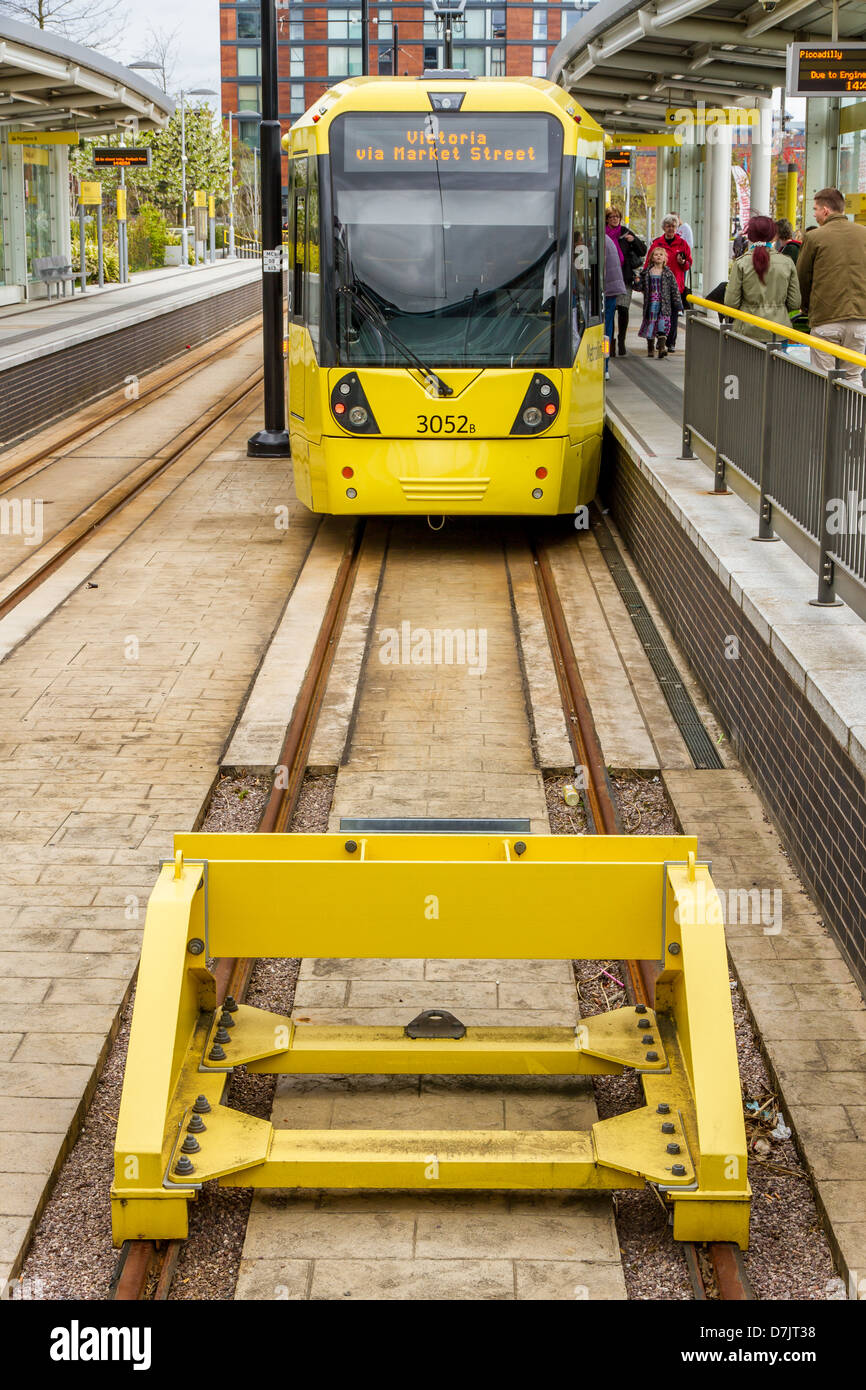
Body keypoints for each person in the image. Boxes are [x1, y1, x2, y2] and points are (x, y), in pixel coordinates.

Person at [797, 187, 866, 382]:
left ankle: (825, 414)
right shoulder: (864, 234)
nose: (814, 214)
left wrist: (806, 307)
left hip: (826, 317)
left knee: (823, 377)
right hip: (860, 319)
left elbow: (802, 277)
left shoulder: (814, 237)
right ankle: (853, 414)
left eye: (816, 209)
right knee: (853, 376)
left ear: (826, 210)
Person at [724, 215, 801, 341]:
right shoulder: (787, 263)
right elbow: (795, 302)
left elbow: (730, 302)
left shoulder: (741, 263)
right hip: (779, 331)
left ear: (750, 236)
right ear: (773, 235)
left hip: (747, 330)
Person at [643, 215, 692, 352]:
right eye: (668, 226)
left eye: (674, 226)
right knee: (658, 314)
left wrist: (683, 262)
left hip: (675, 285)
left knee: (673, 315)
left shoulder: (682, 244)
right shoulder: (657, 243)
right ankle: (660, 339)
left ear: (677, 228)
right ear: (664, 227)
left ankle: (670, 342)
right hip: (657, 286)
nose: (671, 229)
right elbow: (648, 263)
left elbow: (688, 264)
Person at [604, 206, 646, 355]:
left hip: (624, 277)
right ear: (607, 219)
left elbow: (643, 250)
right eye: (611, 217)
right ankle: (610, 342)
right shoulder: (602, 233)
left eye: (617, 217)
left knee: (623, 309)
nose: (615, 219)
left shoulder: (625, 232)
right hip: (607, 277)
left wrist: (633, 240)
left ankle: (621, 340)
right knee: (609, 311)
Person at [638, 244, 679, 358]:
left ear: (665, 258)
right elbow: (640, 286)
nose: (658, 257)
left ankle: (661, 348)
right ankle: (650, 348)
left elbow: (674, 289)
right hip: (651, 304)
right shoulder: (647, 272)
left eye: (661, 255)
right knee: (651, 324)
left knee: (662, 324)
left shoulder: (668, 273)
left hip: (664, 304)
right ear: (652, 258)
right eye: (656, 255)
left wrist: (677, 303)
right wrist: (637, 282)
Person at [604, 231, 626, 380]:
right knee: (607, 328)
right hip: (611, 289)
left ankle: (604, 365)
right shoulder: (607, 240)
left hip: (605, 290)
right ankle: (605, 366)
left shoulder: (597, 240)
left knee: (604, 329)